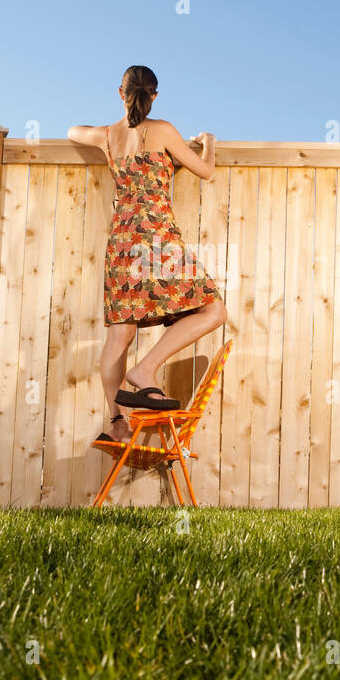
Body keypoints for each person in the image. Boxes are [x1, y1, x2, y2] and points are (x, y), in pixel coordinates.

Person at [68, 65, 227, 443]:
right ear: (153, 95)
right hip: (155, 237)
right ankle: (145, 370)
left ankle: (116, 421)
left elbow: (73, 131)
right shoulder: (164, 131)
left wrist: (110, 126)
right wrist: (209, 143)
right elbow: (205, 171)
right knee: (214, 309)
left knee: (119, 334)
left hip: (122, 240)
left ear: (120, 93)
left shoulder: (107, 136)